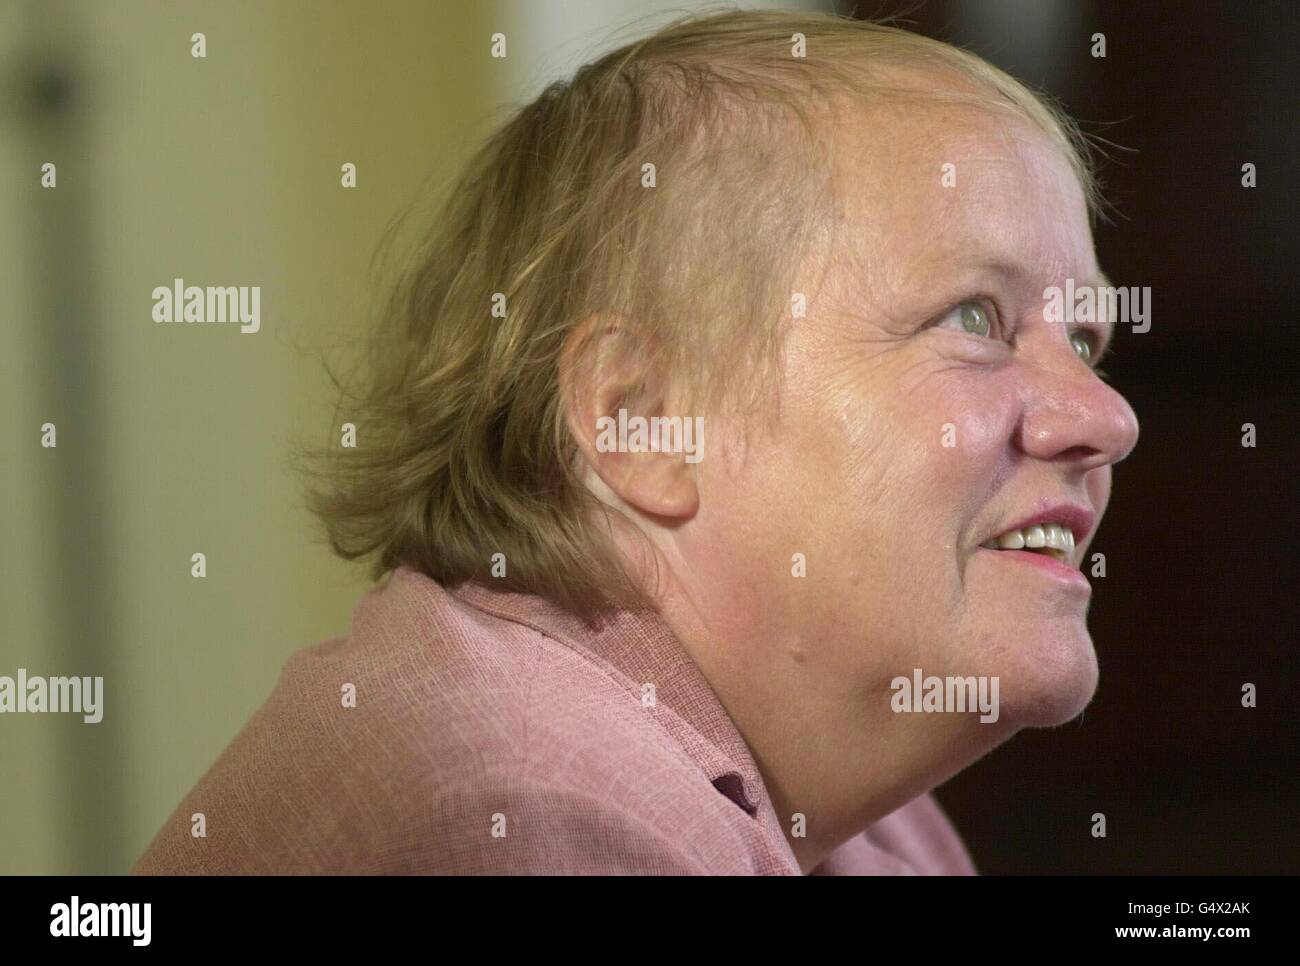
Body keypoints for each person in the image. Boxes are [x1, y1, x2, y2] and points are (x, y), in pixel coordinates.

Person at [133, 9, 1138, 875]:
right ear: (637, 421)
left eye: (1085, 338)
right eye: (972, 319)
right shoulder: (532, 809)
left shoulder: (864, 824)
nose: (1102, 416)